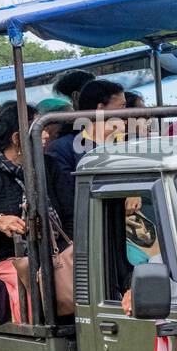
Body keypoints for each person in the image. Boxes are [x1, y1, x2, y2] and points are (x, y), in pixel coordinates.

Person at [0, 102, 67, 324]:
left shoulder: (49, 167)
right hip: (4, 258)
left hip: (55, 253)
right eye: (38, 129)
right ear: (17, 139)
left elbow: (71, 215)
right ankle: (39, 346)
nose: (45, 135)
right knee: (32, 284)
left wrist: (65, 253)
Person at [45, 78, 124, 236]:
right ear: (100, 109)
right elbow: (71, 200)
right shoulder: (63, 149)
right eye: (122, 107)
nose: (128, 114)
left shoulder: (125, 143)